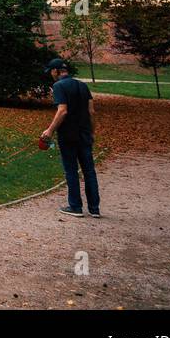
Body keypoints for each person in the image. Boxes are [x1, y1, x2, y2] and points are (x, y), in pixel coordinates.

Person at [42, 57, 100, 218]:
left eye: (51, 72)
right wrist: (92, 132)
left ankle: (75, 206)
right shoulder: (82, 85)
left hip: (68, 135)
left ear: (56, 71)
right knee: (89, 171)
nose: (51, 75)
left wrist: (50, 130)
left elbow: (62, 111)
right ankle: (94, 208)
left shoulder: (59, 86)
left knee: (71, 171)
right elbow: (91, 112)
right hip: (85, 133)